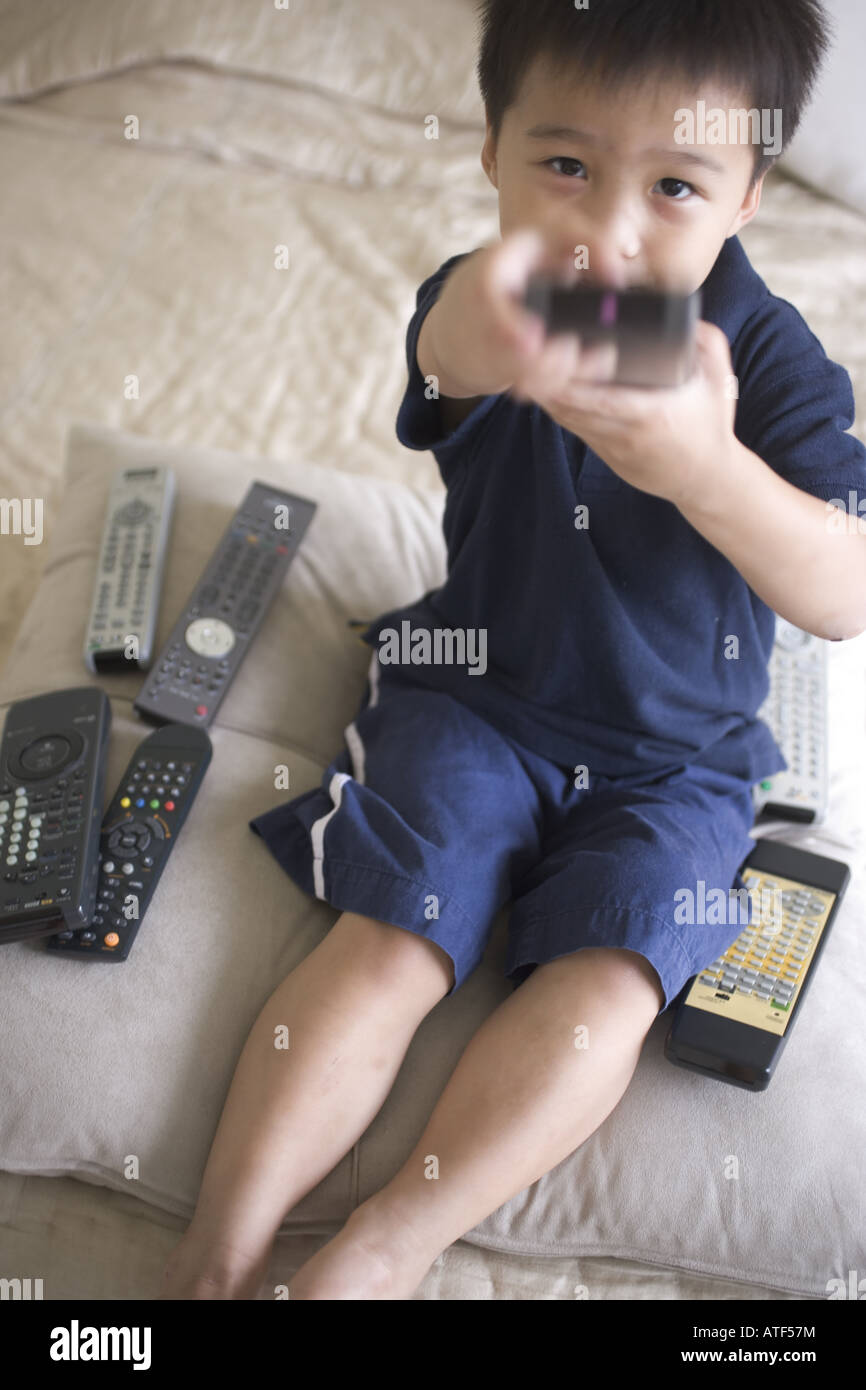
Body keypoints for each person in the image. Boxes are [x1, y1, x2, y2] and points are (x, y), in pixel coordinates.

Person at [159, 0, 866, 1300]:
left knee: (612, 980)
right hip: (478, 697)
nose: (608, 226)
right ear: (489, 149)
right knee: (394, 935)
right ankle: (211, 1261)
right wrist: (518, 327)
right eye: (563, 166)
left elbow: (841, 586)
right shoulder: (482, 298)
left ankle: (383, 1245)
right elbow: (451, 347)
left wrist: (708, 467)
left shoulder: (770, 365)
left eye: (672, 184)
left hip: (679, 762)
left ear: (749, 192)